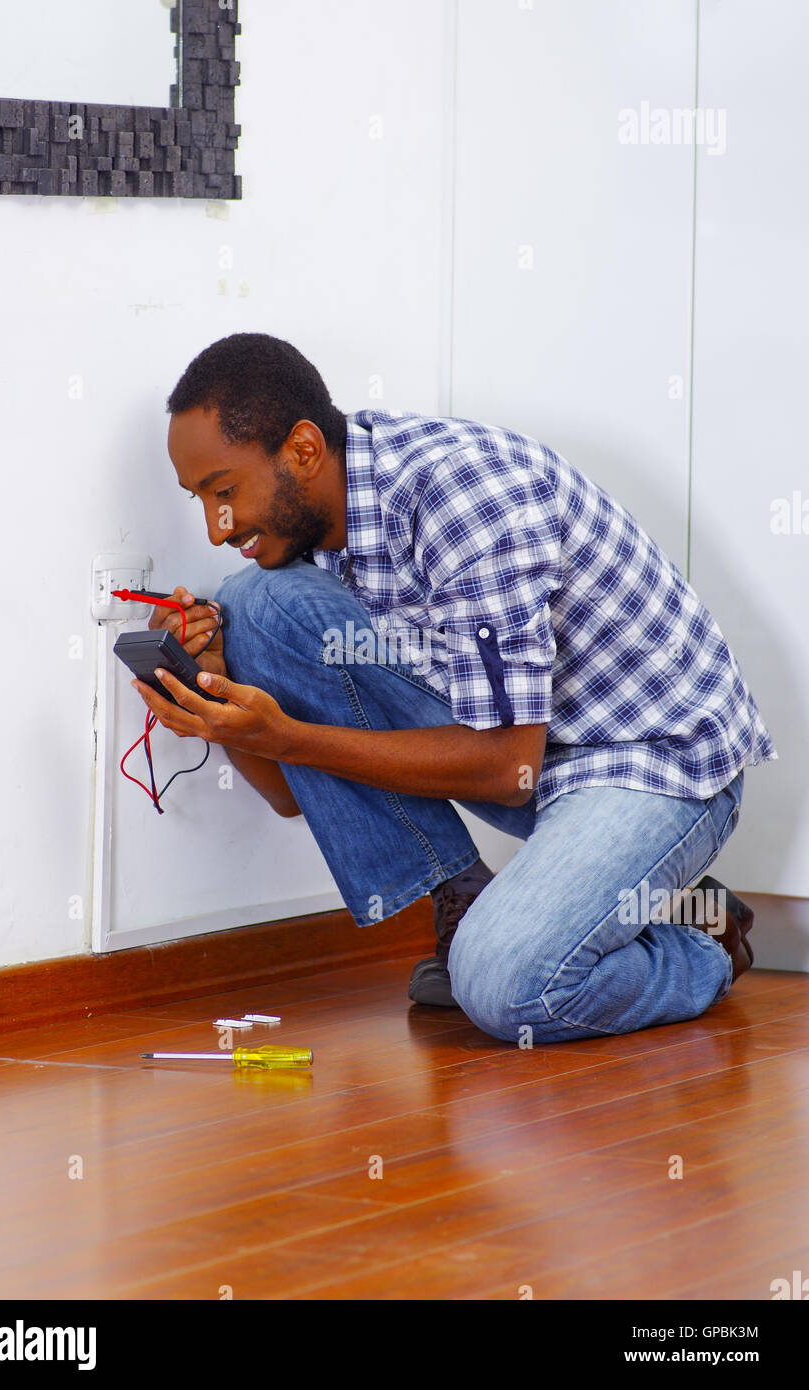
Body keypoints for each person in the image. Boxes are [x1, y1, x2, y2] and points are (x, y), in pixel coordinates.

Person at [131, 332, 776, 1045]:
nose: (216, 527)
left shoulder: (465, 500)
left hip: (655, 766)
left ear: (305, 451)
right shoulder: (319, 531)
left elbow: (507, 769)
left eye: (225, 492)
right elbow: (292, 793)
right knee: (254, 605)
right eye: (199, 499)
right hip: (537, 760)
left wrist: (285, 735)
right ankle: (467, 898)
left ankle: (701, 942)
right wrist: (220, 698)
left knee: (503, 988)